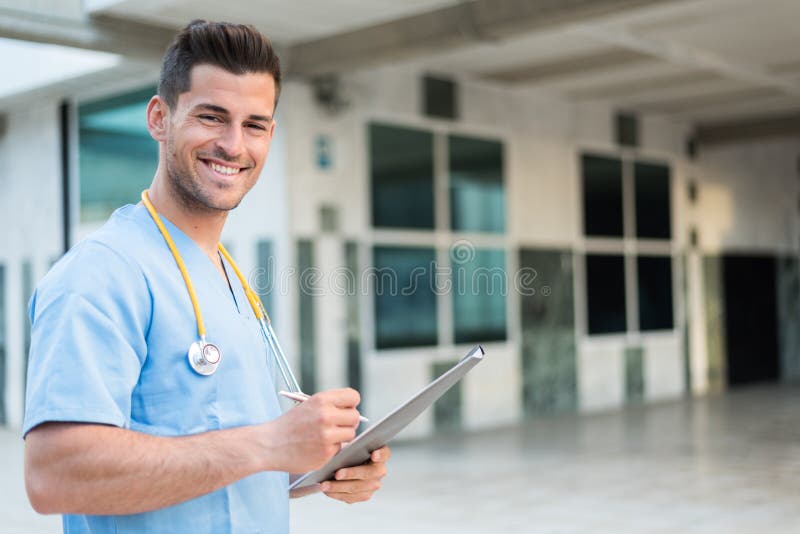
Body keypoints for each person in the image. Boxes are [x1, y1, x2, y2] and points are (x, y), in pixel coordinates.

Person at [23, 20, 389, 533]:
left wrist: (320, 467)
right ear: (160, 118)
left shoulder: (230, 279)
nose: (234, 145)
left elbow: (229, 459)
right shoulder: (101, 274)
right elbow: (54, 474)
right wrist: (270, 443)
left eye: (254, 125)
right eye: (212, 118)